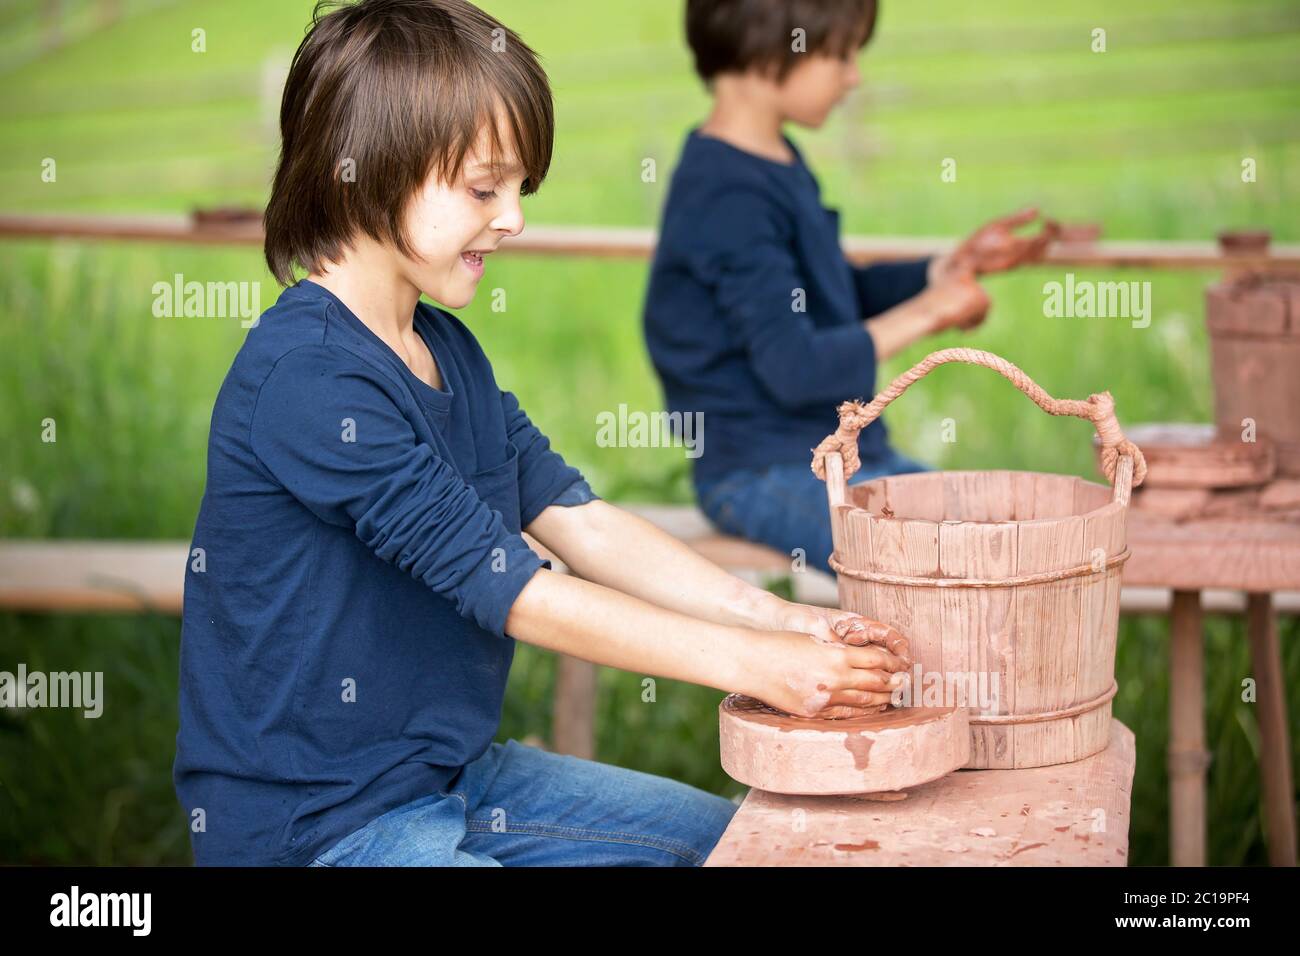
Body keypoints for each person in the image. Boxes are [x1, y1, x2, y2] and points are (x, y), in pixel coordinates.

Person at [172, 0, 912, 868]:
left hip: (456, 780)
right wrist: (756, 667)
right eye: (485, 189)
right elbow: (515, 590)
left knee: (744, 851)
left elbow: (578, 519)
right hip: (320, 831)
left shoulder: (446, 349)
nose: (515, 218)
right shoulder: (304, 377)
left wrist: (784, 625)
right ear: (364, 169)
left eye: (520, 189)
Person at [643, 0, 1056, 574]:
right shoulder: (727, 195)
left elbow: (829, 294)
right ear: (769, 47)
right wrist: (933, 313)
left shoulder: (773, 160)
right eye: (839, 54)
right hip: (764, 470)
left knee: (1010, 527)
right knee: (949, 563)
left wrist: (942, 270)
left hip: (844, 456)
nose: (853, 76)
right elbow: (794, 366)